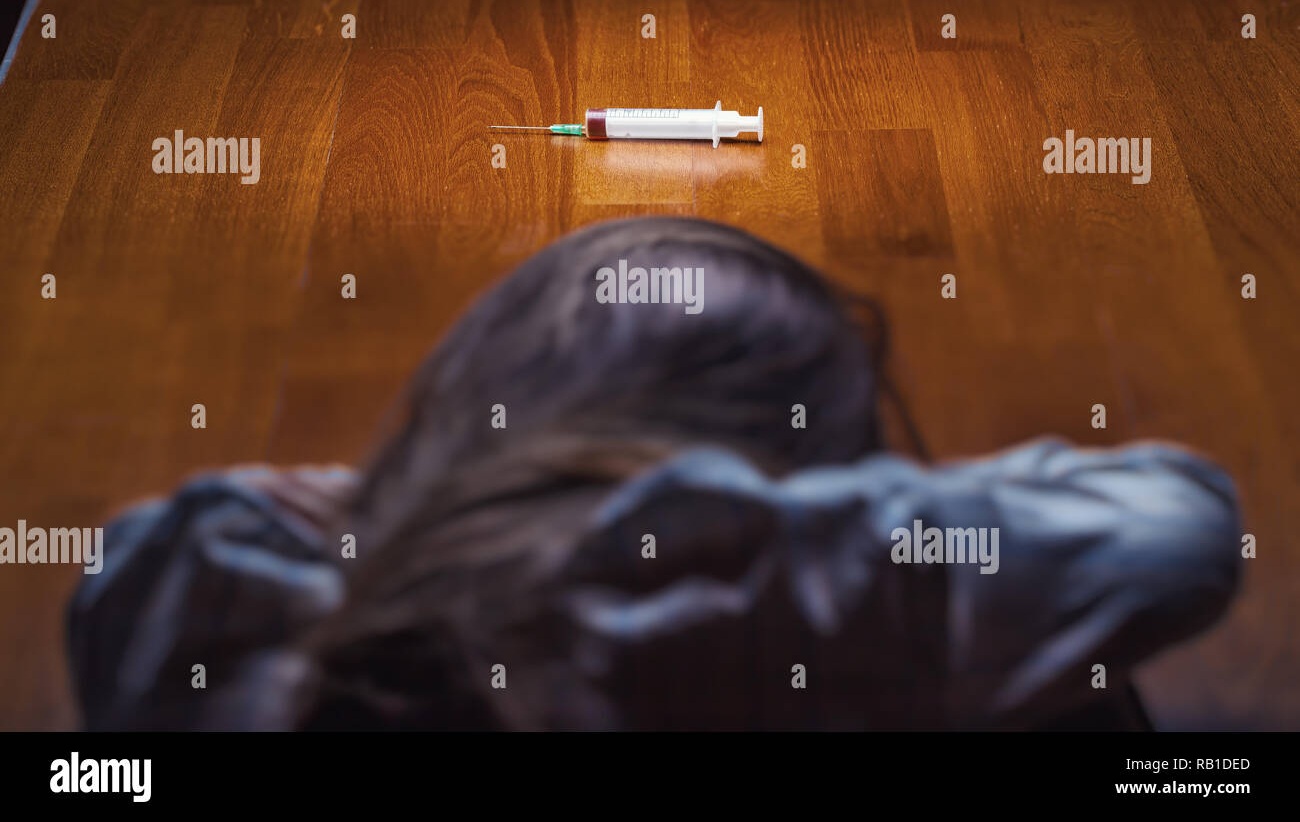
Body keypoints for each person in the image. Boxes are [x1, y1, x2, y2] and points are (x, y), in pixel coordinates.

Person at [67, 217, 1242, 730]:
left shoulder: (214, 572)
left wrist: (432, 513)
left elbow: (134, 557)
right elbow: (1180, 524)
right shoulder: (760, 598)